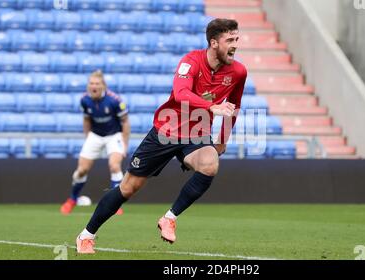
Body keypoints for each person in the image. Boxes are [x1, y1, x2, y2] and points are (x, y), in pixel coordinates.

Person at [75, 18, 247, 254]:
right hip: (166, 131)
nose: (236, 44)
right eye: (230, 40)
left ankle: (170, 218)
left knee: (209, 164)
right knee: (128, 188)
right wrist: (211, 107)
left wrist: (222, 139)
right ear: (214, 42)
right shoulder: (191, 61)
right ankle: (86, 235)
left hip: (197, 134)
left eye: (237, 39)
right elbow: (180, 93)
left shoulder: (238, 72)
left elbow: (234, 106)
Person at [60, 70, 130, 216]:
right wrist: (88, 138)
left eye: (97, 83)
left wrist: (124, 144)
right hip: (95, 135)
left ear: (103, 85)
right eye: (91, 83)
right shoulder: (84, 100)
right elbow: (86, 120)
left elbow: (125, 122)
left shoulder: (114, 100)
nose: (94, 86)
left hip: (113, 135)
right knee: (82, 170)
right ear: (88, 86)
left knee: (114, 165)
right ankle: (72, 199)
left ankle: (115, 204)